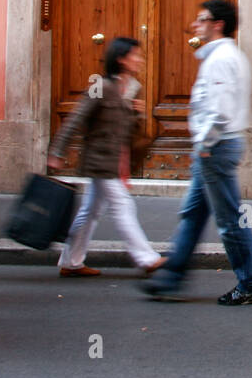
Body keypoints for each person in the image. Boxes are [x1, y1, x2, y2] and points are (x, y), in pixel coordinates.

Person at [143, 0, 252, 304]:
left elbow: (221, 110)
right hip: (214, 146)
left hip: (217, 147)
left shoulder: (222, 59)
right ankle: (172, 276)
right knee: (193, 214)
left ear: (218, 24)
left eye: (201, 20)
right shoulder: (221, 56)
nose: (195, 25)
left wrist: (207, 145)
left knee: (229, 220)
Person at [47, 37, 165, 277]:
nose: (140, 60)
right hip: (99, 160)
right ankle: (146, 258)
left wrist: (137, 115)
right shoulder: (99, 85)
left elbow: (129, 131)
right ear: (121, 58)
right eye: (135, 55)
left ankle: (71, 262)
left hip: (117, 160)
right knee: (122, 205)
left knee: (90, 211)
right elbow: (76, 119)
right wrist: (57, 151)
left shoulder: (133, 88)